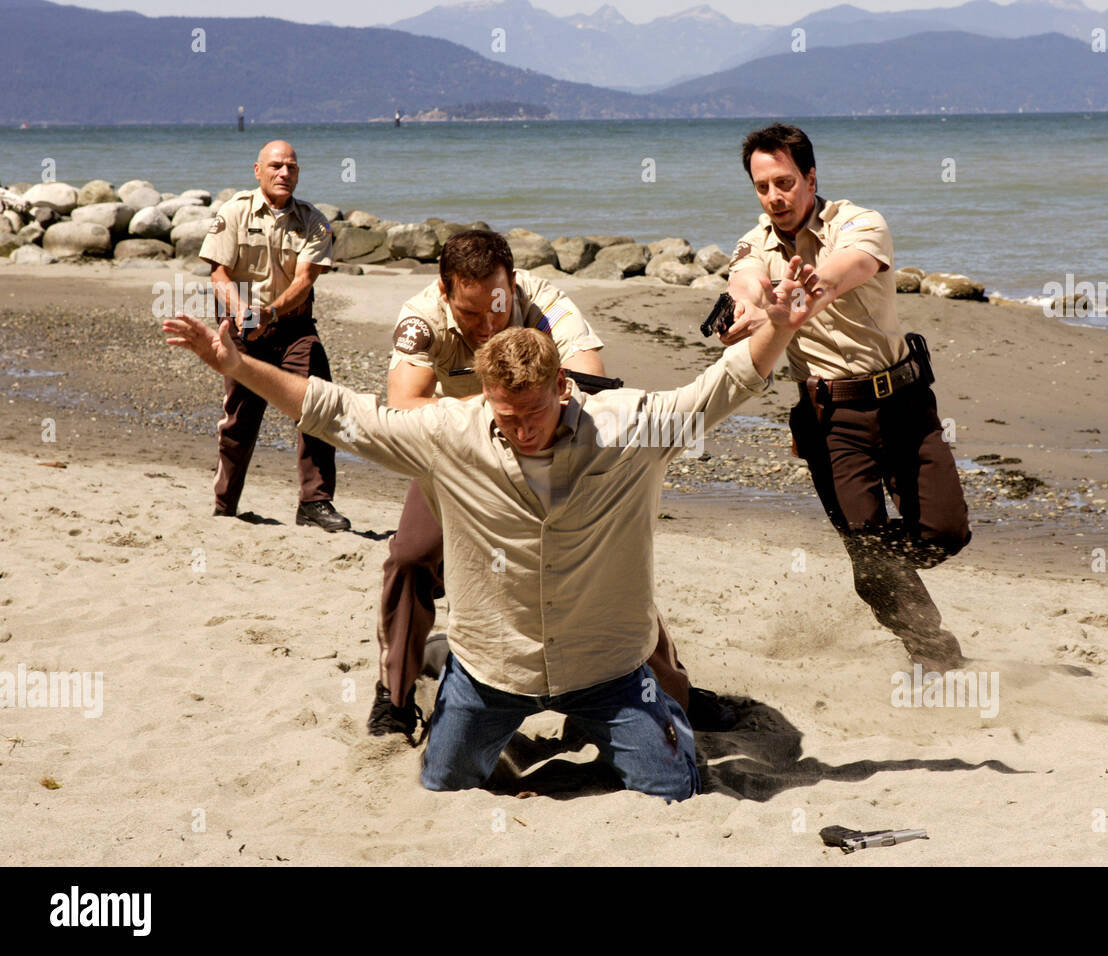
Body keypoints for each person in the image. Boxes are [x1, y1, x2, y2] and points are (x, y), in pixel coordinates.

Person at [163, 255, 822, 801]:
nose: (522, 428)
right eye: (506, 416)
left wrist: (783, 327)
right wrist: (237, 366)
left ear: (563, 386)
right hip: (493, 671)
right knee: (443, 781)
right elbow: (339, 414)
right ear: (483, 398)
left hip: (609, 669)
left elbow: (722, 387)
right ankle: (438, 661)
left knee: (674, 787)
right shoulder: (454, 432)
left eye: (533, 410)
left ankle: (664, 701)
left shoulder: (628, 426)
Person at [369, 229, 734, 737]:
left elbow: (592, 385)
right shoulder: (423, 315)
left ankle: (676, 693)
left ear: (511, 284)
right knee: (409, 558)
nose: (487, 325)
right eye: (470, 314)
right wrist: (491, 413)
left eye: (496, 308)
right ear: (445, 291)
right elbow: (402, 405)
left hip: (549, 451)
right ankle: (395, 695)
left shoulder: (547, 304)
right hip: (462, 456)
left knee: (608, 560)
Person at [720, 123, 971, 669]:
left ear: (811, 178)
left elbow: (840, 274)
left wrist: (802, 291)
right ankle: (937, 656)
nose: (774, 197)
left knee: (945, 533)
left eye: (784, 182)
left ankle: (874, 568)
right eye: (762, 187)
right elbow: (741, 278)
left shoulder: (860, 222)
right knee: (870, 545)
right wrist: (742, 304)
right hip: (829, 417)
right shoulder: (755, 243)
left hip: (903, 402)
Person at [198, 139, 350, 532]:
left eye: (292, 167)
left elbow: (306, 279)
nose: (285, 173)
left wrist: (272, 312)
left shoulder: (314, 221)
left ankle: (315, 504)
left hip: (294, 327)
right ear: (257, 170)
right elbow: (218, 274)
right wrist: (241, 310)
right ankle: (224, 506)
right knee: (239, 421)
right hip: (243, 328)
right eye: (277, 166)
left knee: (317, 406)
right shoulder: (234, 212)